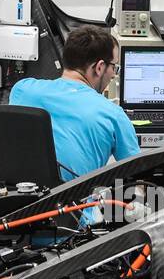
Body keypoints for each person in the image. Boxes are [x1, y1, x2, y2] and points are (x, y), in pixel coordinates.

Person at [9, 25, 140, 180]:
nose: (114, 74)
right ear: (99, 67)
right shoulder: (113, 115)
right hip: (74, 202)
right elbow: (139, 174)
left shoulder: (22, 90)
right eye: (114, 67)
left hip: (17, 200)